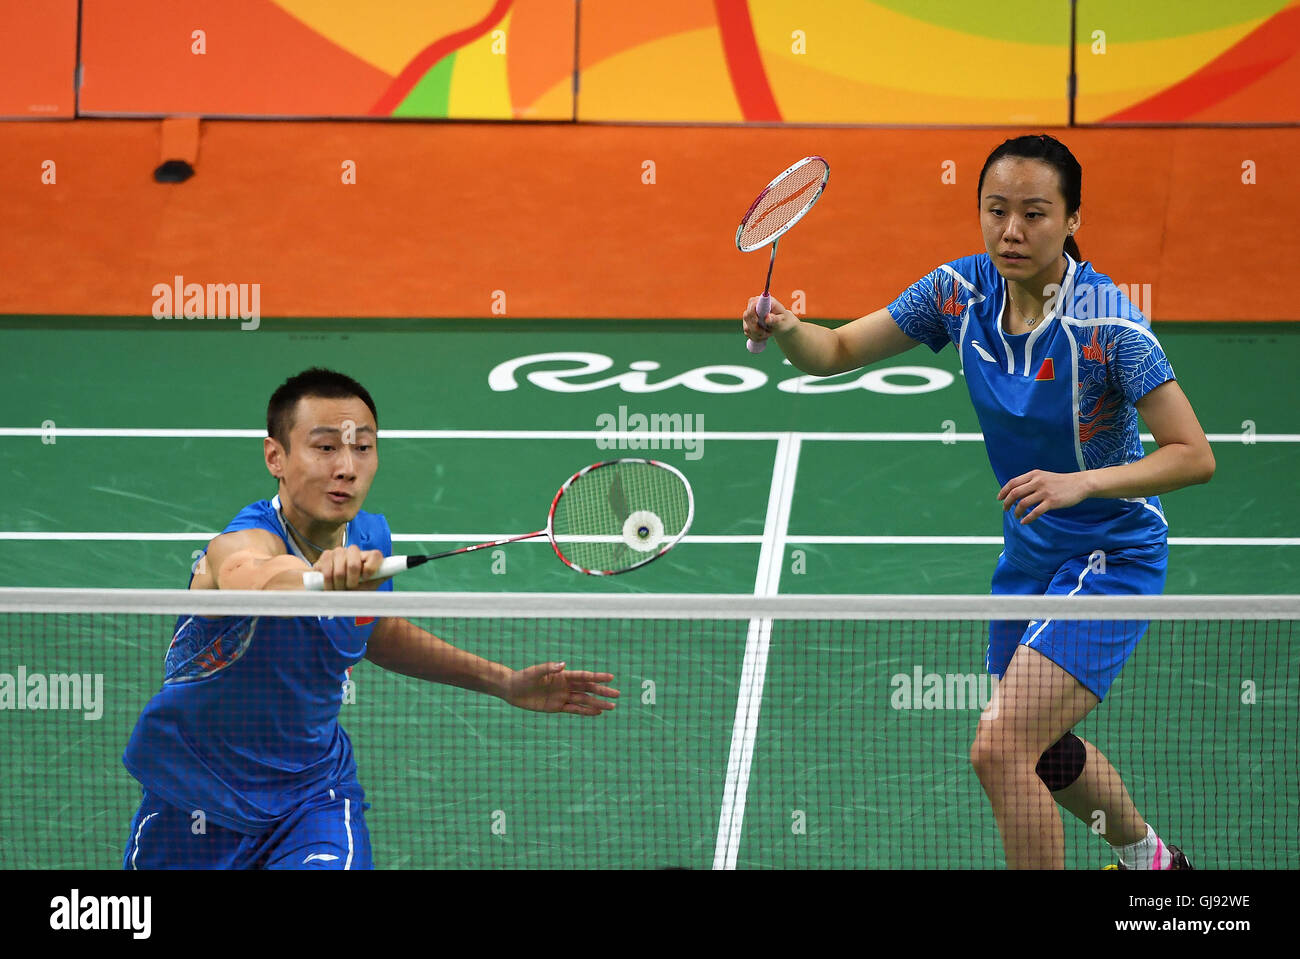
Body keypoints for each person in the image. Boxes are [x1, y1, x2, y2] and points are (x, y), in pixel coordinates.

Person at [742, 134, 1214, 870]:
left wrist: (1080, 482)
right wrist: (788, 329)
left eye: (1034, 213)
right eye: (996, 211)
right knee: (1041, 748)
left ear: (1071, 219)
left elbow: (1194, 454)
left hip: (1110, 553)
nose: (1012, 231)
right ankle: (1154, 862)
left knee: (999, 748)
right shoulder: (958, 293)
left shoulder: (1109, 326)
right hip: (1030, 552)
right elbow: (834, 353)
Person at [122, 368, 618, 869]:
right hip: (193, 799)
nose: (347, 468)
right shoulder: (240, 543)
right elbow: (252, 577)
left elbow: (378, 630)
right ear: (276, 456)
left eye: (362, 448)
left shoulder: (369, 539)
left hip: (310, 798)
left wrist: (504, 682)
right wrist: (313, 575)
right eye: (324, 448)